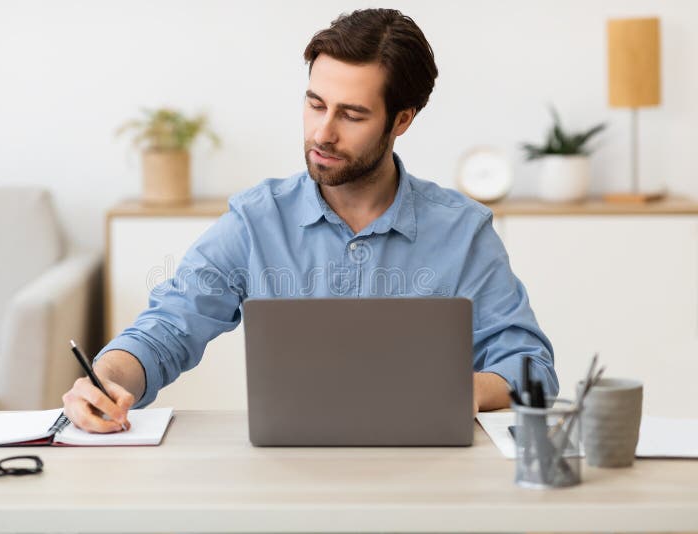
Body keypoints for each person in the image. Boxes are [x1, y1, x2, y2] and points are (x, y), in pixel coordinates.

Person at [62, 8, 558, 433]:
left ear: (402, 120)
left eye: (352, 115)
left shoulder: (462, 231)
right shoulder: (257, 220)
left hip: (430, 472)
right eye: (315, 104)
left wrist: (465, 389)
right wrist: (107, 380)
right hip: (287, 471)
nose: (323, 132)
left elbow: (530, 365)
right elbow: (168, 328)